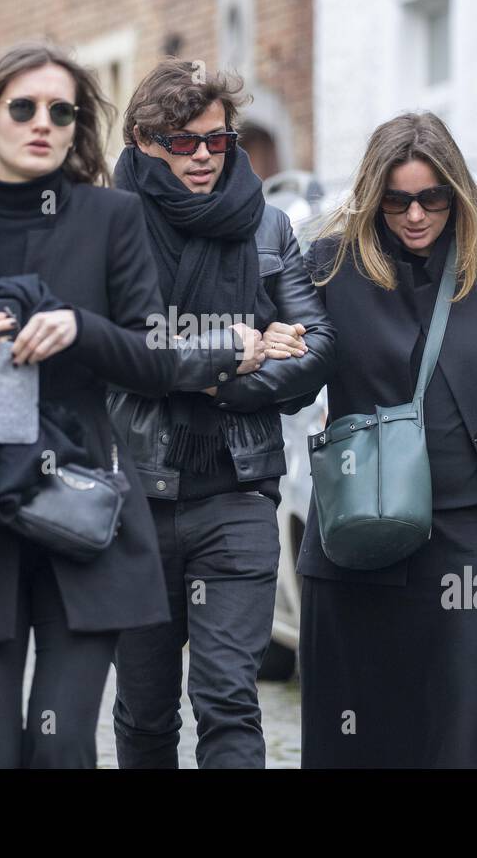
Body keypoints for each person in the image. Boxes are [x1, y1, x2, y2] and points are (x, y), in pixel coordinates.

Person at [0, 41, 178, 768]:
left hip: (79, 512)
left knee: (61, 748)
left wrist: (82, 328)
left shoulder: (113, 217)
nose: (42, 124)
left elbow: (156, 360)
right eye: (23, 108)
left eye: (62, 111)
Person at [298, 111, 477, 768]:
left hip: (474, 533)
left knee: (474, 724)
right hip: (363, 529)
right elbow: (292, 373)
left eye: (431, 198)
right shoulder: (329, 266)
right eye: (396, 200)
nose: (414, 215)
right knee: (371, 733)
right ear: (373, 198)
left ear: (457, 192)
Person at [108, 59, 335, 768]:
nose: (204, 155)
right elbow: (116, 353)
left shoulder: (267, 227)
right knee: (145, 713)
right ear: (143, 140)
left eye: (218, 140)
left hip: (238, 493)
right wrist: (234, 349)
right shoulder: (107, 229)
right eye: (183, 142)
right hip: (135, 504)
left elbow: (318, 348)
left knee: (228, 700)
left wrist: (224, 385)